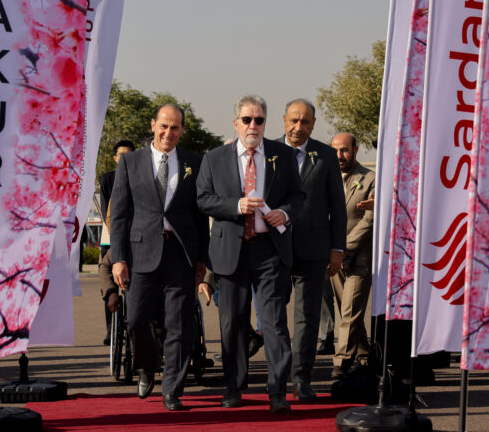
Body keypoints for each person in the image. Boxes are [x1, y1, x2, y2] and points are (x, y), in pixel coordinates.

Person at [197, 95, 304, 414]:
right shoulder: (215, 158)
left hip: (270, 251)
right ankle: (233, 386)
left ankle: (277, 392)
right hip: (230, 251)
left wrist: (284, 214)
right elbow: (202, 199)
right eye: (247, 120)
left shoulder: (282, 155)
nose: (253, 125)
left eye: (259, 120)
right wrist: (235, 206)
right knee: (231, 323)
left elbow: (298, 197)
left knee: (273, 322)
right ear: (236, 123)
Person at [110, 104, 208, 411]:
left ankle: (172, 390)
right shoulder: (131, 162)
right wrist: (118, 257)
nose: (169, 133)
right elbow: (120, 215)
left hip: (180, 254)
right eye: (164, 126)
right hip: (141, 255)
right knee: (137, 319)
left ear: (182, 130)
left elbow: (199, 216)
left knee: (180, 324)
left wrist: (202, 258)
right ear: (153, 125)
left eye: (175, 127)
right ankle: (148, 366)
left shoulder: (195, 162)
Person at [280, 99, 347, 402]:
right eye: (294, 121)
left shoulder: (327, 156)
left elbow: (338, 207)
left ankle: (301, 378)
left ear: (313, 124)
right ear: (284, 121)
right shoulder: (269, 153)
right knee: (273, 316)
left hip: (314, 249)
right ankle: (276, 375)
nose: (298, 127)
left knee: (307, 317)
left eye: (305, 122)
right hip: (274, 248)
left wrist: (336, 248)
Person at [330, 133, 375, 377]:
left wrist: (344, 247)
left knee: (349, 311)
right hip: (334, 262)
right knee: (348, 310)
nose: (339, 155)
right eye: (335, 150)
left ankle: (341, 362)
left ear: (355, 150)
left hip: (358, 259)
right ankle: (364, 355)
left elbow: (370, 219)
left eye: (345, 150)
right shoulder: (327, 178)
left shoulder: (370, 178)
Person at [98, 140, 136, 343]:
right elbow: (107, 212)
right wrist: (117, 236)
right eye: (121, 155)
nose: (124, 159)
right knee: (108, 280)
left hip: (134, 236)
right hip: (111, 236)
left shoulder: (138, 177)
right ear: (115, 158)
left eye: (129, 155)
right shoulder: (108, 179)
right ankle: (111, 329)